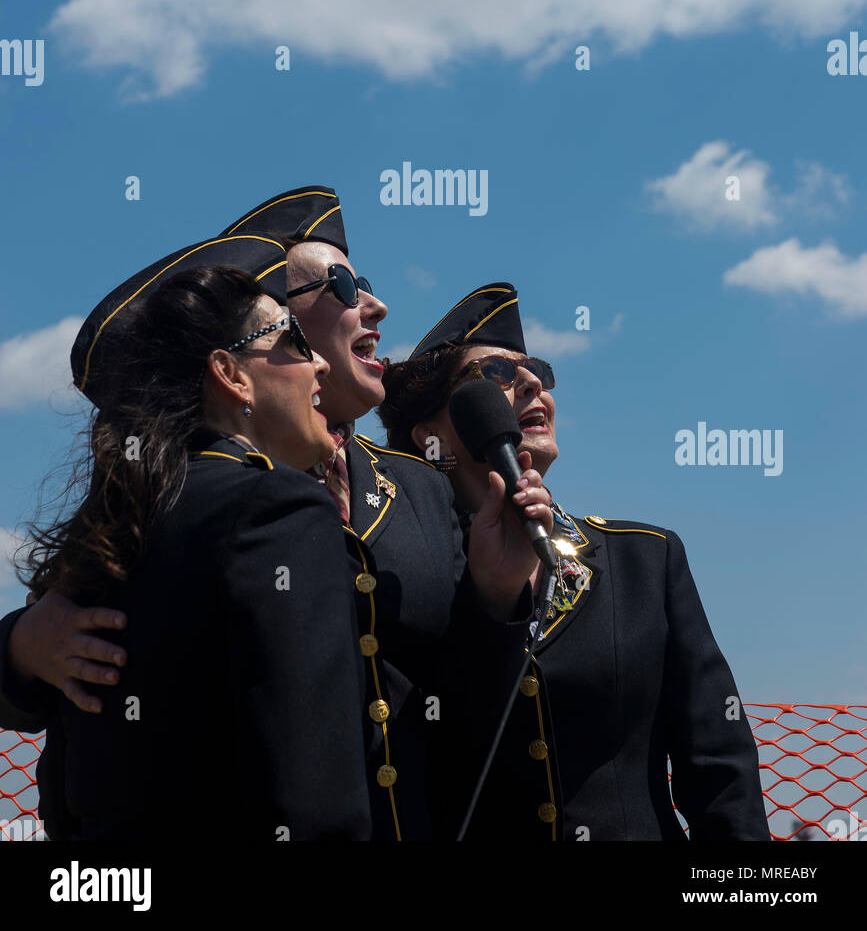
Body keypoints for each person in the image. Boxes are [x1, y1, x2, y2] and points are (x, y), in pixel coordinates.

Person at [0, 189, 552, 841]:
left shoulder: (422, 489)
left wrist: (495, 600)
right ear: (241, 355)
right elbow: (73, 681)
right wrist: (19, 649)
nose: (372, 304)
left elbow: (471, 707)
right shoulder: (153, 498)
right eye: (342, 285)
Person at [378, 281, 772, 842]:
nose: (534, 383)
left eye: (537, 369)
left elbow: (719, 769)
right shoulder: (407, 578)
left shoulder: (647, 559)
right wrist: (493, 602)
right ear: (431, 436)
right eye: (496, 374)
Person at [6, 255, 373, 840]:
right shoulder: (278, 509)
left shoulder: (108, 531)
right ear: (231, 374)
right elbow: (316, 803)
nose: (321, 366)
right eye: (296, 342)